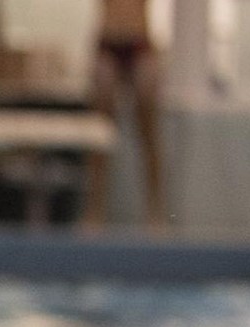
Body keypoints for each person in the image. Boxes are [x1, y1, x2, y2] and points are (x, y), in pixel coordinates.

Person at [85, 0, 164, 231]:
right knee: (99, 135)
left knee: (148, 133)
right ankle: (94, 210)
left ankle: (155, 211)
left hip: (139, 40)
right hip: (108, 39)